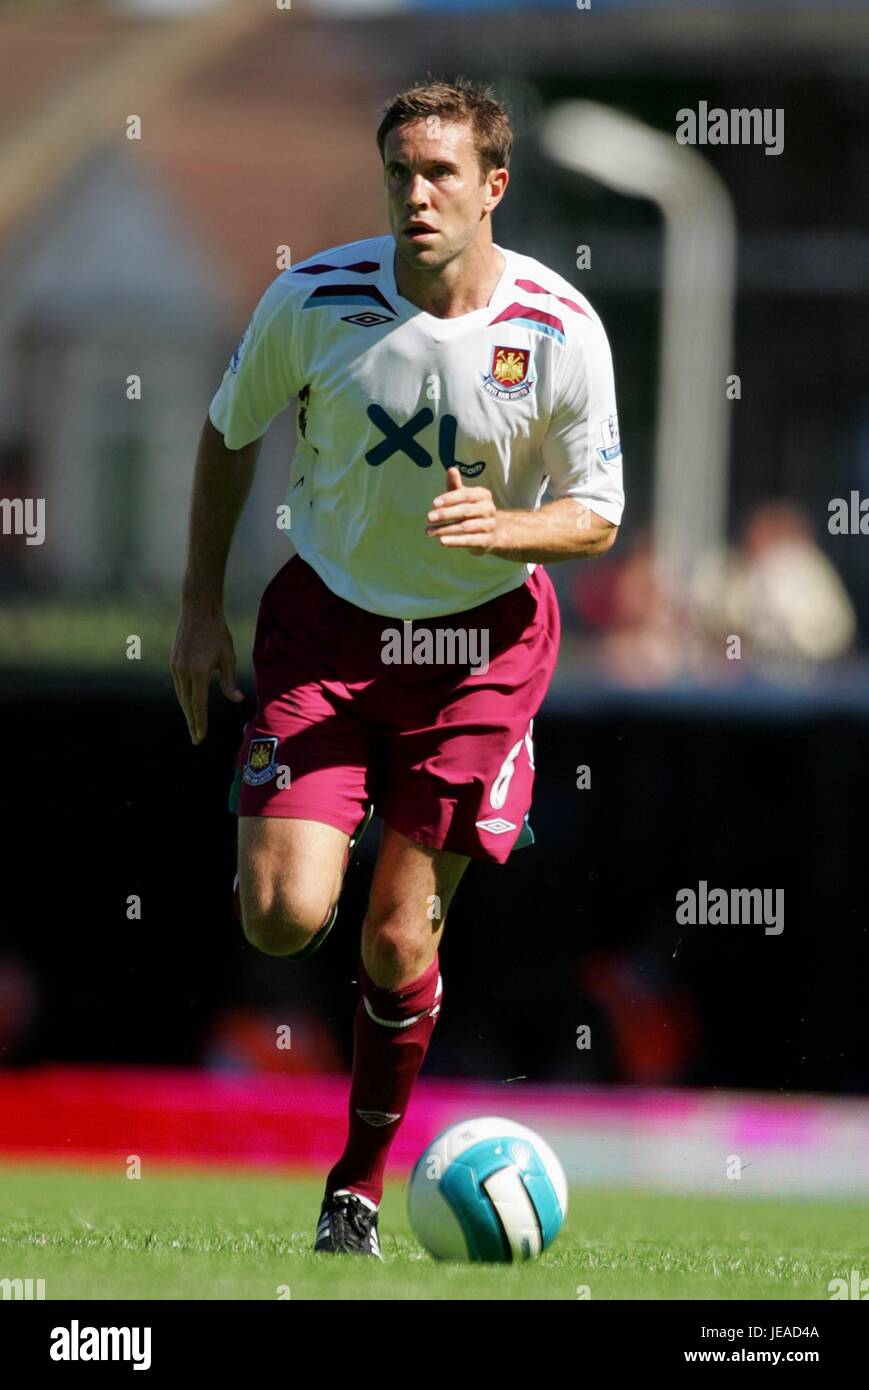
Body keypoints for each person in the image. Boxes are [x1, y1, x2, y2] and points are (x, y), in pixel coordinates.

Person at [170, 76, 625, 1259]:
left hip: (478, 651)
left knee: (393, 939)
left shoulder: (558, 327)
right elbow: (227, 436)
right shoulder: (309, 298)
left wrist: (506, 530)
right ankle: (319, 845)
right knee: (278, 918)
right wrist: (194, 614)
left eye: (438, 176)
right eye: (397, 175)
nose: (414, 197)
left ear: (492, 188)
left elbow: (597, 515)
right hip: (325, 629)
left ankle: (356, 1190)